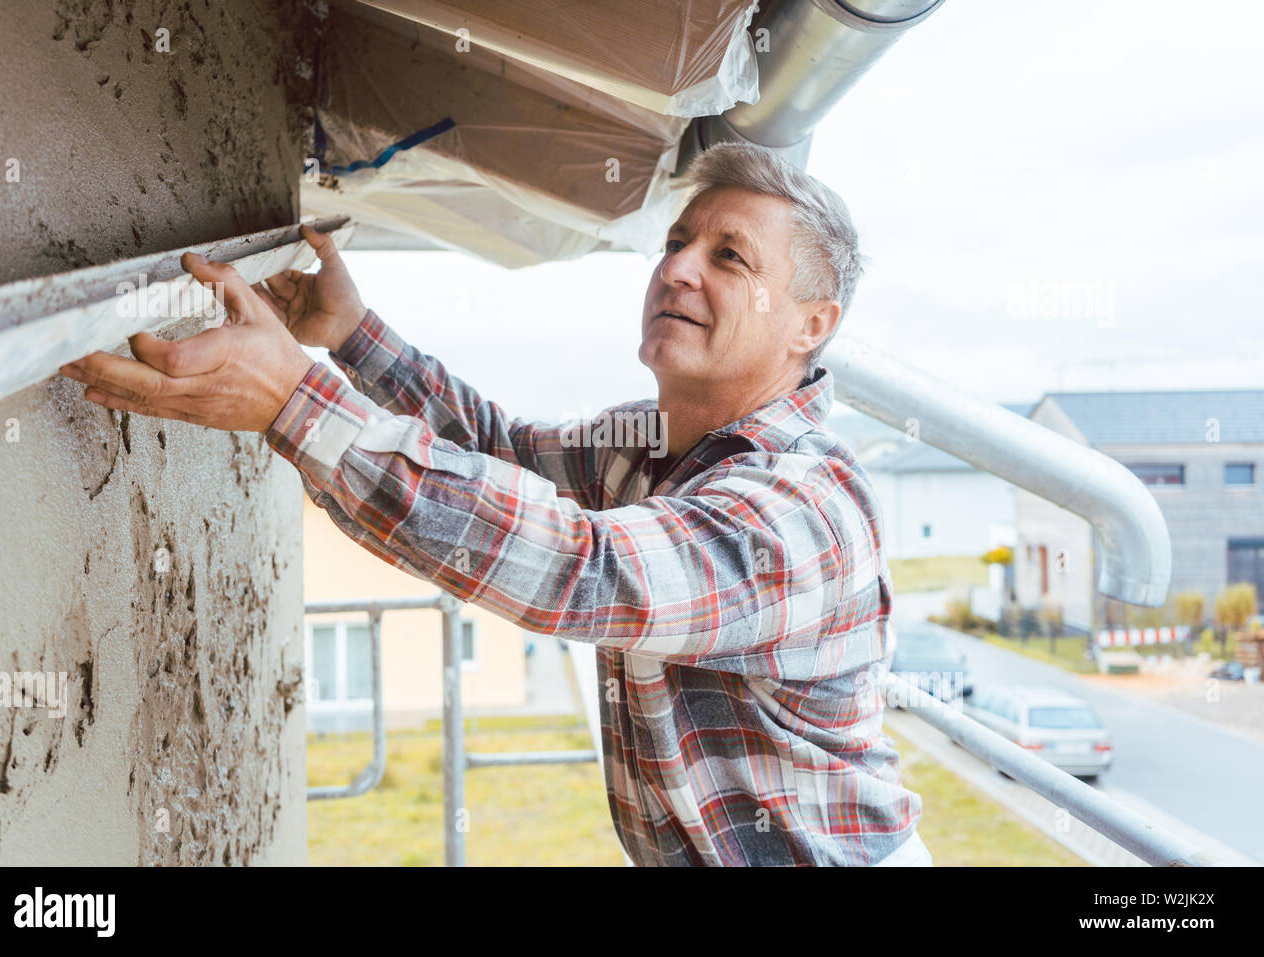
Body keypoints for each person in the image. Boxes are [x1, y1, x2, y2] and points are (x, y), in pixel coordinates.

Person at [60, 141, 930, 866]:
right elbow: (506, 454)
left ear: (813, 324)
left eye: (728, 256)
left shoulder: (805, 505)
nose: (676, 268)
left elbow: (587, 573)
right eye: (675, 241)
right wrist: (353, 338)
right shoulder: (654, 445)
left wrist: (294, 401)